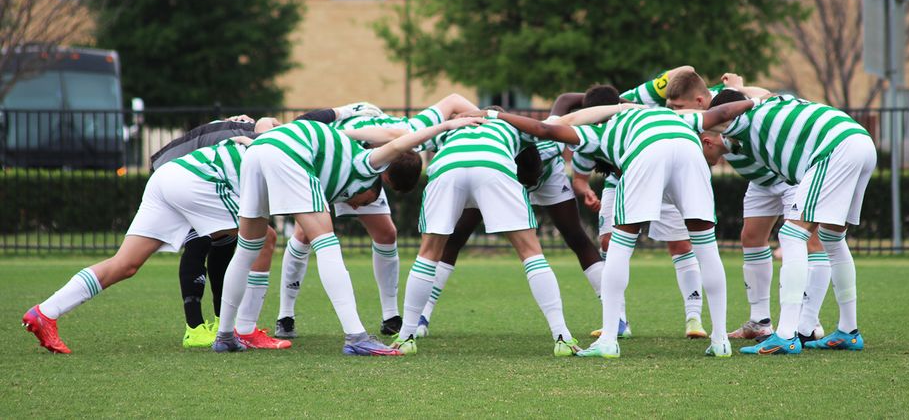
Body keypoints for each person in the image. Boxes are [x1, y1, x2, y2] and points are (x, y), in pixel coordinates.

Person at [479, 100, 758, 358]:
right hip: (689, 149)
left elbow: (544, 129)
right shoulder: (673, 116)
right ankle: (720, 340)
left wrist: (494, 115)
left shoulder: (600, 134)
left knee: (620, 246)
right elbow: (722, 113)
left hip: (647, 149)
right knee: (706, 248)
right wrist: (756, 101)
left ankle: (609, 340)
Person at [211, 116, 483, 356]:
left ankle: (225, 336)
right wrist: (446, 126)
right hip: (287, 152)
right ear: (374, 184)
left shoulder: (335, 166)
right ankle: (356, 337)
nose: (355, 206)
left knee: (247, 249)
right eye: (365, 201)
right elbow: (400, 145)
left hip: (257, 152)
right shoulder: (364, 163)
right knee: (327, 244)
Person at [390, 106, 630, 356]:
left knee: (428, 254)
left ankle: (406, 336)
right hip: (493, 165)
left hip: (447, 168)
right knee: (531, 253)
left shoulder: (452, 128)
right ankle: (562, 337)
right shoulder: (512, 125)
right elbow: (569, 119)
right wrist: (620, 107)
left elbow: (402, 138)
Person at [23, 136, 256, 354]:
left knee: (125, 264)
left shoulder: (262, 142)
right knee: (260, 236)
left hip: (168, 176)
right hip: (192, 181)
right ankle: (243, 331)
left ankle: (45, 312)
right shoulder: (272, 146)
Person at [273, 94, 480, 338]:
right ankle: (285, 316)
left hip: (360, 168)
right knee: (304, 234)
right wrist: (336, 134)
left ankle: (390, 316)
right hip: (326, 165)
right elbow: (389, 134)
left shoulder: (416, 133)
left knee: (386, 234)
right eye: (387, 182)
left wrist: (487, 120)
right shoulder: (382, 139)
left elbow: (454, 100)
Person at [705, 92, 876, 355]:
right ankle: (848, 331)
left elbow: (720, 116)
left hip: (836, 148)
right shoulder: (773, 105)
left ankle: (786, 335)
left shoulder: (744, 118)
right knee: (832, 238)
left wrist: (661, 112)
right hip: (860, 141)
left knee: (792, 235)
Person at [149, 114, 281, 349]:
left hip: (198, 176)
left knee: (225, 240)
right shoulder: (254, 140)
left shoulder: (249, 136)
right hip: (175, 174)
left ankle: (224, 324)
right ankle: (194, 329)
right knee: (199, 241)